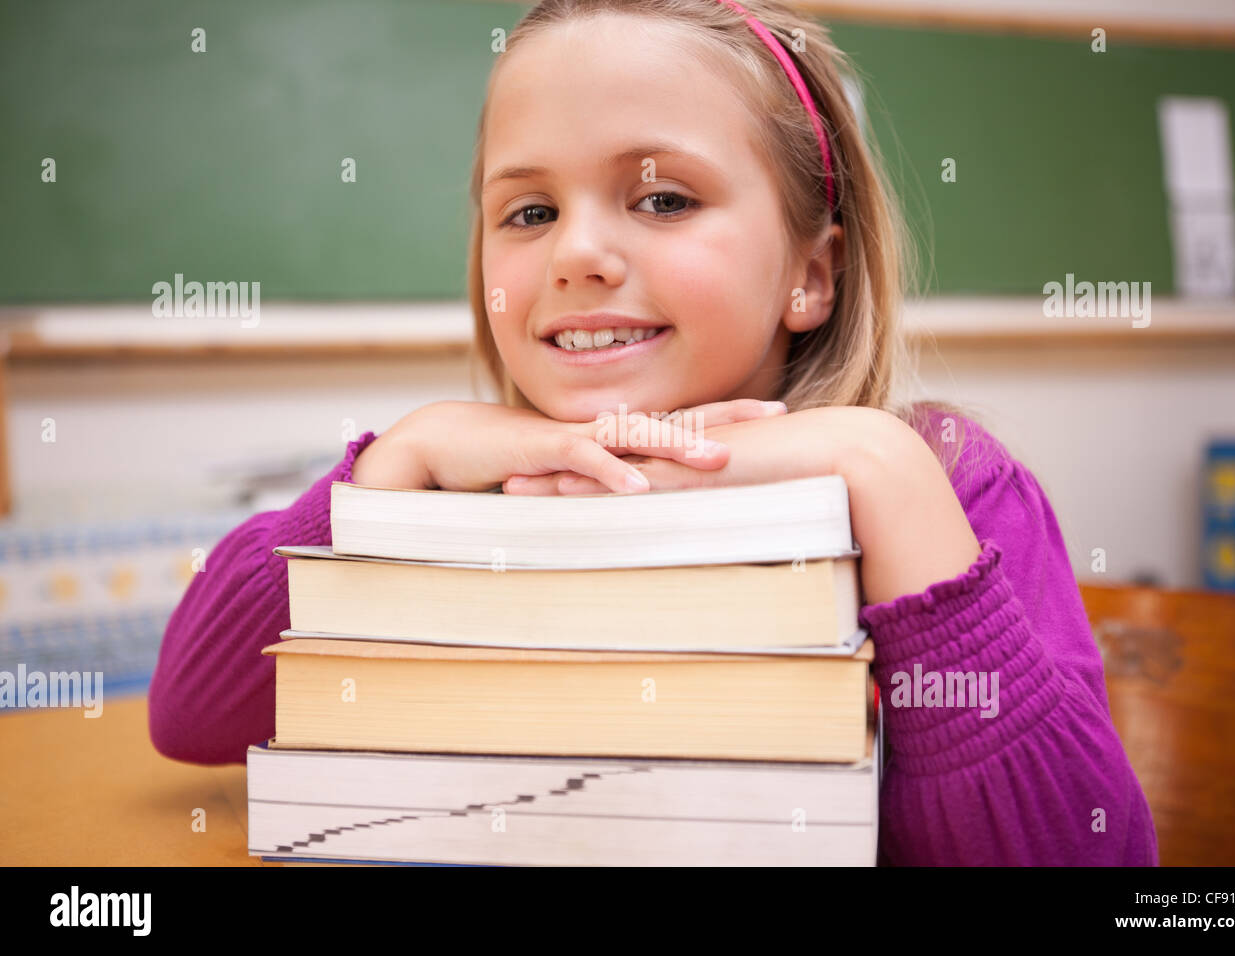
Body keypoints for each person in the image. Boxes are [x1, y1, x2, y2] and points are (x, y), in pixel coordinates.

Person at [150, 0, 1158, 866]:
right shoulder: (460, 495)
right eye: (530, 209)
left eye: (663, 198)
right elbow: (189, 713)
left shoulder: (945, 488)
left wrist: (880, 468)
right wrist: (385, 467)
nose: (578, 251)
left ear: (811, 271)